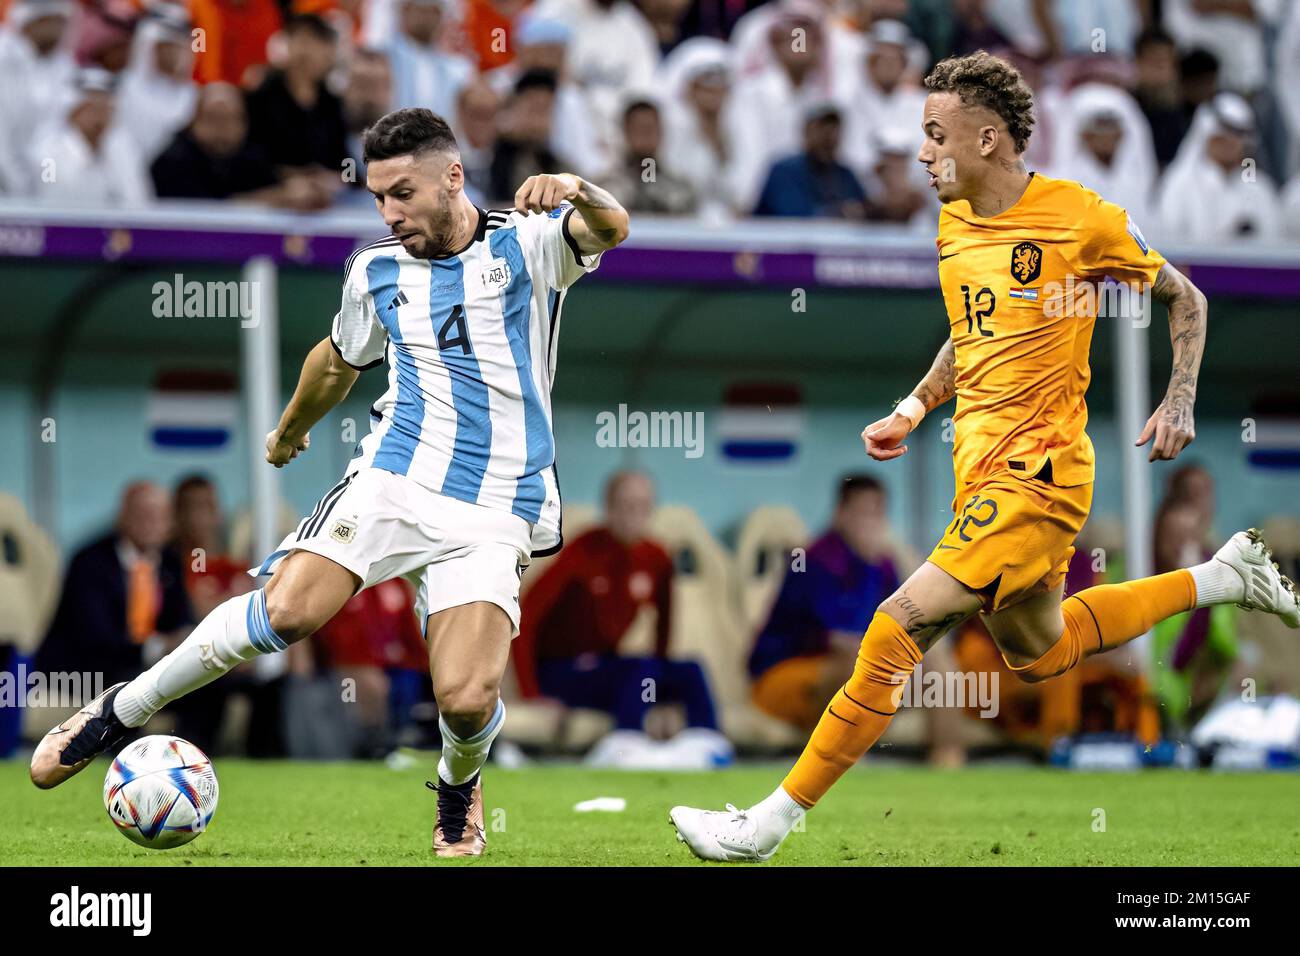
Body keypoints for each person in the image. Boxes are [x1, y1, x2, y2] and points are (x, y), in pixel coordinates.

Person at [670, 50, 1299, 863]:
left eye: (936, 135)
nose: (922, 153)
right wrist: (915, 404)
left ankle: (764, 826)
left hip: (1038, 476)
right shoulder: (954, 220)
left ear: (991, 139)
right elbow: (973, 333)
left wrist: (1177, 400)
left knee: (896, 627)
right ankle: (1222, 578)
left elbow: (1188, 295)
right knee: (1040, 652)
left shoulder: (1082, 218)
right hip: (982, 470)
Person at [31, 108, 630, 862]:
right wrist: (289, 427)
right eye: (378, 196)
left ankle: (456, 786)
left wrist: (575, 186)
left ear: (453, 176)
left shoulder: (530, 241)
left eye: (402, 193)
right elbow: (338, 359)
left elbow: (612, 228)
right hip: (394, 478)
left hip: (496, 506)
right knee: (288, 609)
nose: (389, 213)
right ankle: (117, 713)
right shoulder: (376, 269)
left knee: (468, 699)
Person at [513, 471, 720, 745]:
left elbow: (664, 624)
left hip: (610, 668)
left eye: (642, 506)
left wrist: (661, 684)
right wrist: (532, 693)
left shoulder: (656, 557)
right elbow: (526, 616)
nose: (633, 514)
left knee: (690, 670)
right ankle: (627, 743)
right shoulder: (583, 549)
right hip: (565, 671)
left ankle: (709, 747)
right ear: (609, 508)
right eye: (626, 505)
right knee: (639, 669)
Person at [748, 475, 901, 733]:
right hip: (782, 675)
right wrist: (868, 570)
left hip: (851, 669)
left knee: (932, 660)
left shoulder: (884, 565)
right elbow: (836, 640)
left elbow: (903, 624)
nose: (873, 524)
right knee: (857, 664)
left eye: (878, 513)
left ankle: (946, 760)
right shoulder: (813, 561)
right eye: (864, 513)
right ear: (840, 514)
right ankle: (839, 762)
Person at [34, 482, 191, 689]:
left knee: (221, 687)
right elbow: (96, 639)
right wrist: (158, 647)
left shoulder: (171, 561)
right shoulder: (91, 561)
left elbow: (180, 619)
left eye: (160, 515)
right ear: (123, 516)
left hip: (149, 667)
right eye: (143, 513)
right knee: (130, 692)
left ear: (170, 523)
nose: (151, 522)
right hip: (86, 671)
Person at [753, 103, 866, 219]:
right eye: (822, 129)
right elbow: (793, 215)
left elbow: (864, 208)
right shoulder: (784, 171)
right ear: (806, 132)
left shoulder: (845, 175)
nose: (828, 138)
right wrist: (838, 212)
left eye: (833, 129)